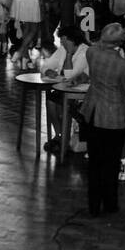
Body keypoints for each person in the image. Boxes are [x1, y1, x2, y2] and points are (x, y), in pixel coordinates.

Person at [81, 23, 125, 216]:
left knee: (95, 162)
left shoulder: (91, 53)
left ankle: (94, 206)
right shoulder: (122, 65)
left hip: (93, 113)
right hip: (113, 118)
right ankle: (110, 204)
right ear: (120, 43)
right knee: (111, 163)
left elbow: (96, 46)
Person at [39, 25, 89, 155]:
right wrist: (48, 71)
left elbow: (70, 75)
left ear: (70, 39)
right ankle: (60, 134)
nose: (61, 42)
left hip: (79, 94)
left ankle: (64, 137)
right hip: (63, 89)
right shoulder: (62, 49)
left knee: (62, 106)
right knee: (50, 101)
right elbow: (46, 65)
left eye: (63, 39)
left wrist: (69, 54)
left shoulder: (84, 52)